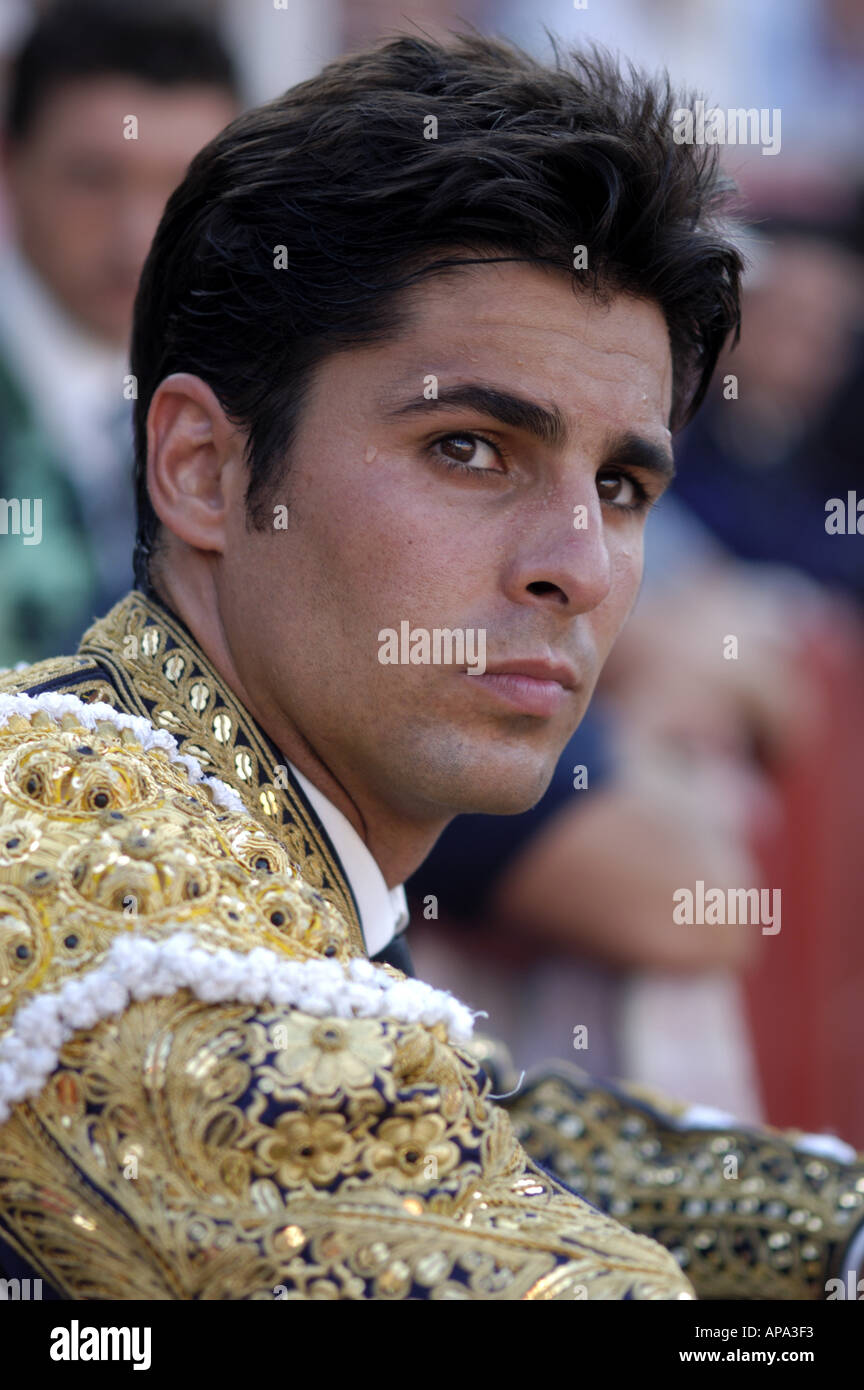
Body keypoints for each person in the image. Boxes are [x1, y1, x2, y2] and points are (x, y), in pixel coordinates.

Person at [0, 34, 861, 1302]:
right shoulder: (90, 863)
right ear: (204, 470)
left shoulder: (254, 824)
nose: (580, 565)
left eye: (623, 486)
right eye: (468, 448)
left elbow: (481, 1126)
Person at [0, 0, 239, 664]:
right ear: (10, 165)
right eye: (94, 179)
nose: (138, 233)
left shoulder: (275, 388)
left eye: (182, 186)